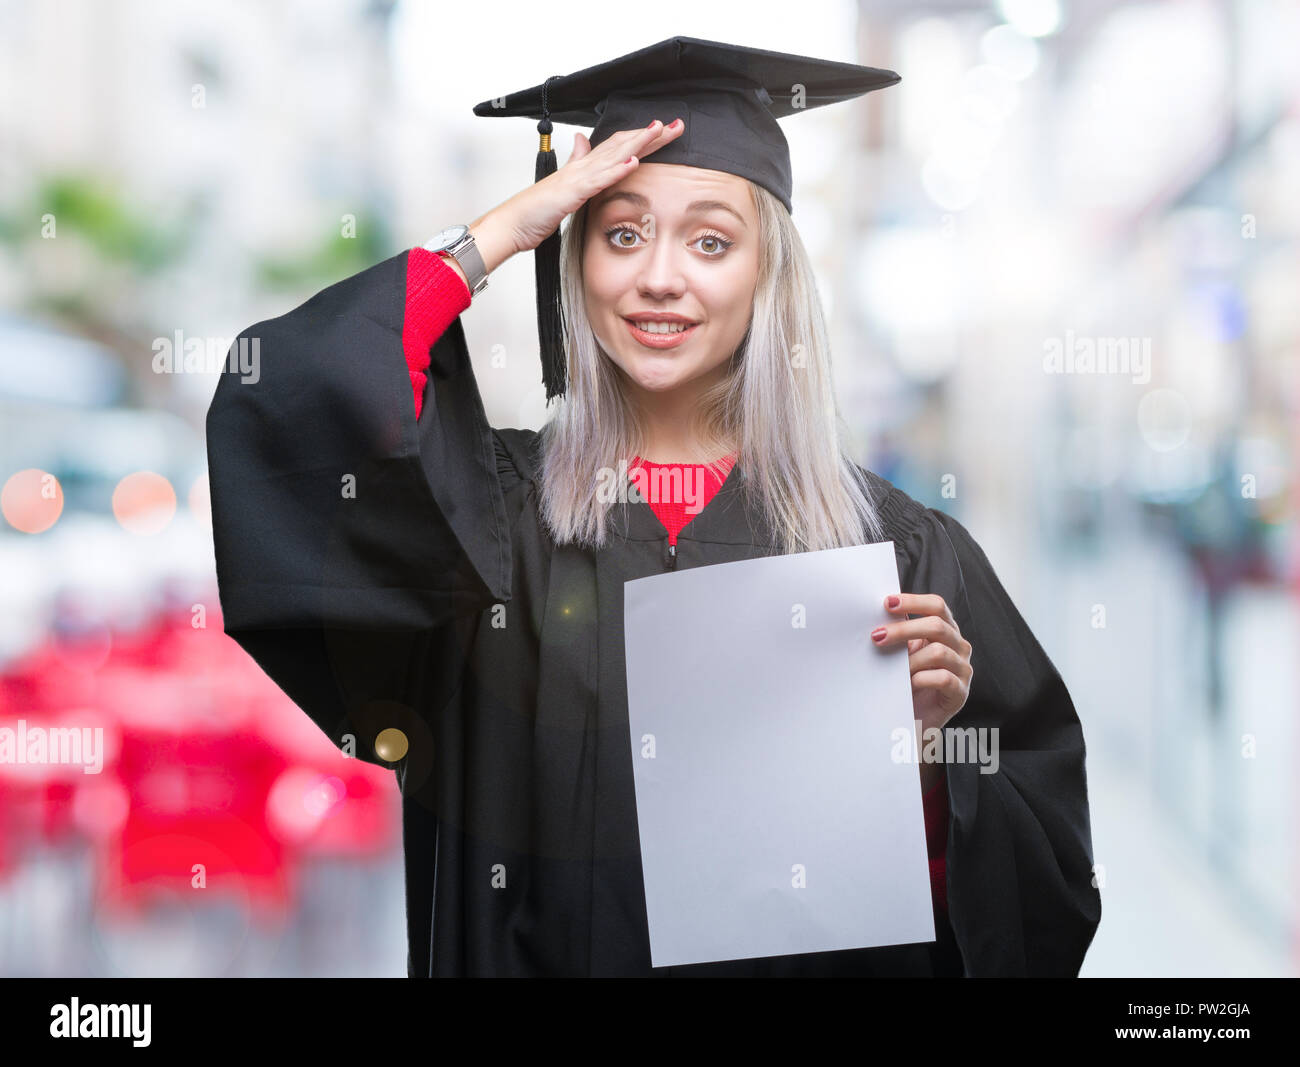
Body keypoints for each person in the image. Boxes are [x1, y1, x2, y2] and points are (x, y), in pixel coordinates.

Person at [206, 37, 1101, 977]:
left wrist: (927, 760)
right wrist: (498, 235)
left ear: (769, 275)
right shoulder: (488, 528)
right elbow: (293, 398)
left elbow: (1043, 897)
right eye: (620, 233)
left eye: (711, 240)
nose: (660, 277)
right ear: (575, 257)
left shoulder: (897, 555)